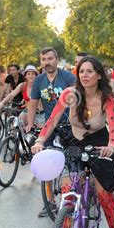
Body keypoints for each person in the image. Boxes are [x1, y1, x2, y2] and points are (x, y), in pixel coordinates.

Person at [31, 56, 114, 228]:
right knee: (68, 193)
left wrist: (111, 145)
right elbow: (53, 119)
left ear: (98, 74)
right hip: (73, 141)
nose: (84, 75)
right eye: (81, 71)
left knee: (104, 196)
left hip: (99, 143)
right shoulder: (70, 94)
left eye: (89, 71)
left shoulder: (106, 98)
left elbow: (113, 125)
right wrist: (40, 140)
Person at [26, 47, 76, 217]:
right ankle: (50, 201)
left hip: (70, 128)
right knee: (46, 164)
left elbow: (80, 99)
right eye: (43, 59)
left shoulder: (68, 77)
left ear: (57, 59)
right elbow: (32, 104)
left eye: (50, 58)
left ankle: (69, 198)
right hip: (49, 127)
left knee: (70, 163)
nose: (47, 62)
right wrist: (30, 125)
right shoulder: (39, 80)